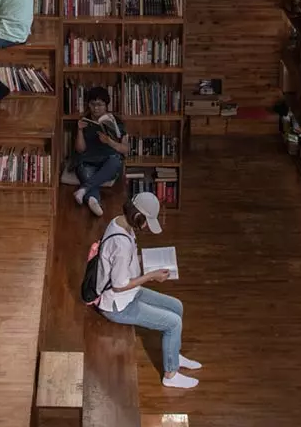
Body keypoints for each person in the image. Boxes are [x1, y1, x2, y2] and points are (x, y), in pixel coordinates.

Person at [93, 191, 202, 389]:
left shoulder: (121, 223)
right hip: (118, 304)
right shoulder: (121, 244)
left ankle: (173, 353)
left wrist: (148, 263)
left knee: (176, 306)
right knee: (173, 323)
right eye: (146, 222)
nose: (146, 227)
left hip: (131, 293)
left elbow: (124, 263)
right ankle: (170, 374)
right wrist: (151, 276)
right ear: (138, 217)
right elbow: (118, 285)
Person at [64, 86, 128, 216]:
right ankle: (93, 199)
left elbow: (125, 149)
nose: (96, 108)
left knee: (116, 161)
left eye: (100, 104)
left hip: (108, 161)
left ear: (106, 105)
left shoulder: (116, 122)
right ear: (88, 104)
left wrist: (109, 141)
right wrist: (80, 130)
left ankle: (84, 189)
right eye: (93, 104)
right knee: (82, 168)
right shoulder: (84, 121)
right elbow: (80, 150)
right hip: (87, 162)